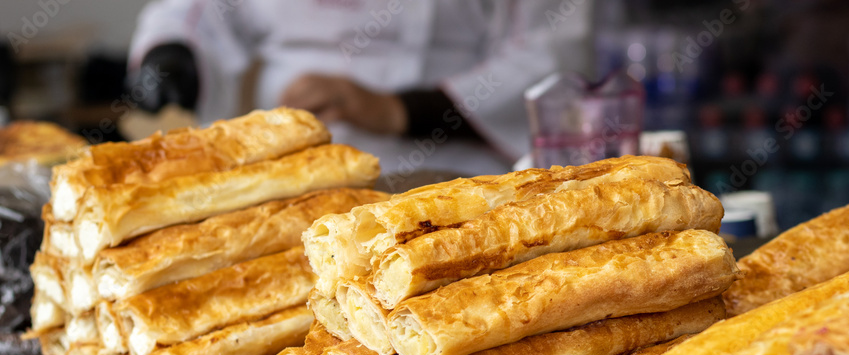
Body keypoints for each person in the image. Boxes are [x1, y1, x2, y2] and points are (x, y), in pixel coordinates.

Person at [127, 0, 594, 180]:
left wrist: (399, 110)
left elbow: (554, 47)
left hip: (455, 162)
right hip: (286, 167)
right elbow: (198, 10)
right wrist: (172, 53)